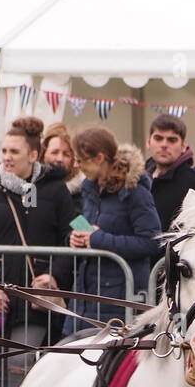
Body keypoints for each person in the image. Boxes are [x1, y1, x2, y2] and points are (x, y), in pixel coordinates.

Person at [0, 115, 74, 387]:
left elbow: (79, 230)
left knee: (20, 364)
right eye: (4, 151)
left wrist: (53, 276)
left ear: (34, 155)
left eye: (14, 152)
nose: (7, 157)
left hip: (36, 300)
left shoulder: (55, 189)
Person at [70, 126, 161, 329]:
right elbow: (92, 228)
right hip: (86, 294)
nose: (78, 166)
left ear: (100, 157)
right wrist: (76, 238)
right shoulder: (89, 189)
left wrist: (98, 239)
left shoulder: (136, 192)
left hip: (121, 299)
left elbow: (152, 242)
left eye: (82, 160)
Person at [144, 113, 195, 233]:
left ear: (183, 146)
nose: (164, 145)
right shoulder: (135, 178)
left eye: (171, 140)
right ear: (148, 142)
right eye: (158, 138)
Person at [42, 122, 83, 215]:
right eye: (54, 152)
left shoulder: (81, 193)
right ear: (43, 154)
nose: (59, 159)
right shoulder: (30, 187)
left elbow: (82, 228)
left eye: (66, 154)